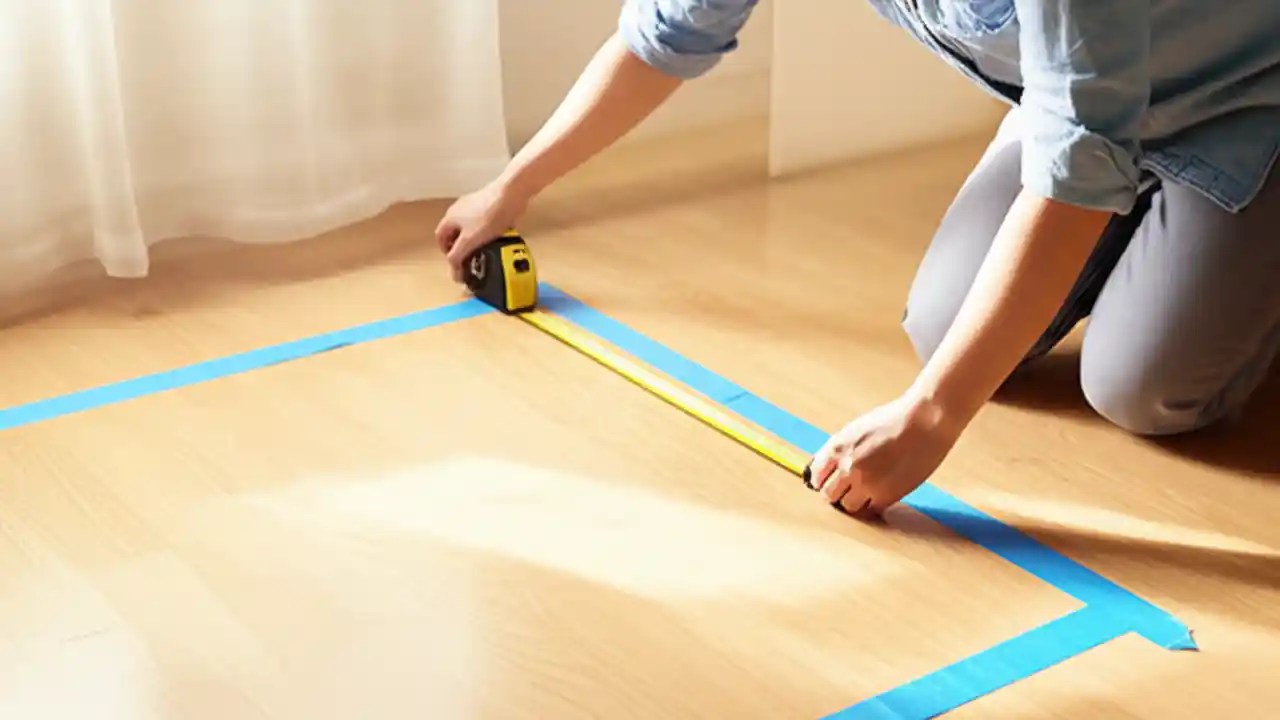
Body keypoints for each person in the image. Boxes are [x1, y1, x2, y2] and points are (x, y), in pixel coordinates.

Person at [435, 1, 1280, 517]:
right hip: (1086, 104)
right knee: (945, 327)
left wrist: (931, 419)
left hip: (1246, 97)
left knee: (1142, 391)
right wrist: (510, 188)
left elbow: (1074, 167)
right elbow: (667, 32)